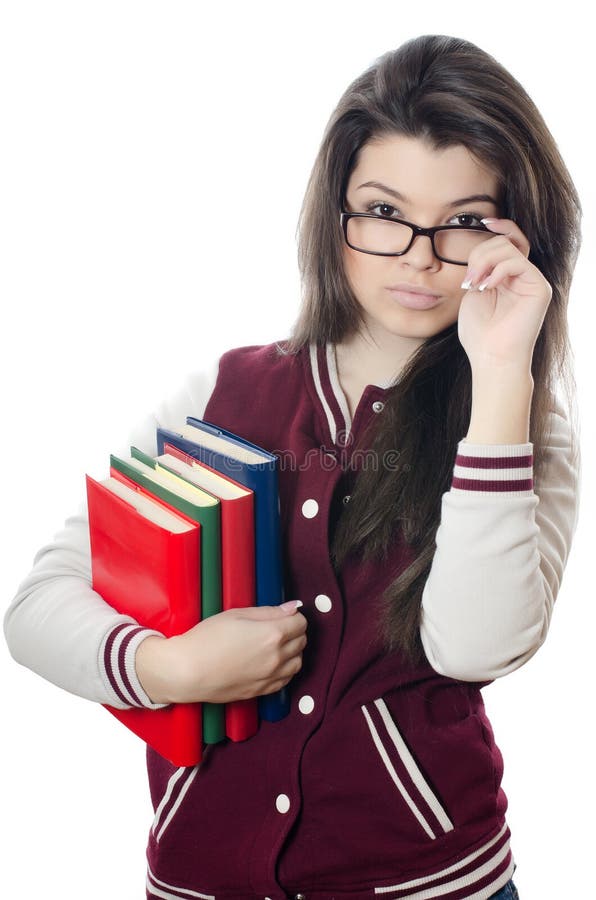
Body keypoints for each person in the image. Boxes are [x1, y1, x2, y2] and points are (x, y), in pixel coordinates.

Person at [4, 33, 582, 900]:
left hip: (428, 883)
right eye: (384, 211)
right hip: (203, 874)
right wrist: (170, 670)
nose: (421, 257)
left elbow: (476, 648)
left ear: (517, 235)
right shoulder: (223, 390)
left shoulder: (524, 426)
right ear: (336, 215)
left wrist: (502, 374)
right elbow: (37, 607)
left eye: (465, 222)